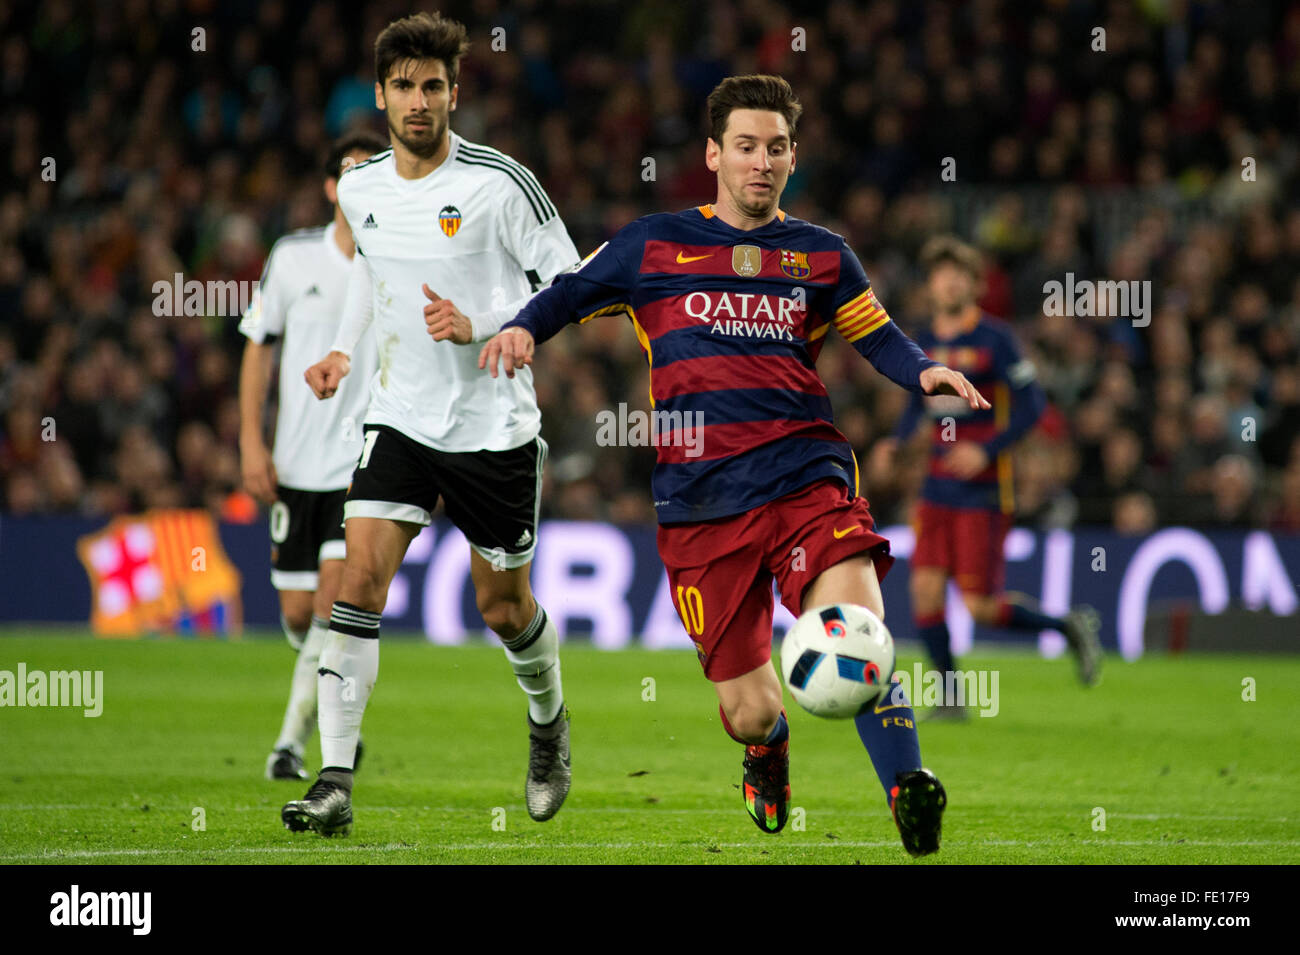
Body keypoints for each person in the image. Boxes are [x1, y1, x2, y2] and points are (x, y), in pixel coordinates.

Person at [481, 74, 986, 855]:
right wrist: (521, 331)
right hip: (700, 505)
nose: (761, 162)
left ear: (793, 156)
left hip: (806, 478)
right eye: (746, 147)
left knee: (857, 632)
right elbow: (567, 293)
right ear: (714, 153)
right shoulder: (650, 244)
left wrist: (922, 371)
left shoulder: (820, 255)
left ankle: (908, 788)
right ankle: (768, 748)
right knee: (750, 709)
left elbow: (878, 333)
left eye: (776, 148)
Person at [281, 12, 581, 837]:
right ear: (380, 95)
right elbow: (365, 276)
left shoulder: (501, 184)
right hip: (399, 419)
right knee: (356, 584)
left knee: (505, 609)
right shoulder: (362, 187)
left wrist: (489, 323)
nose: (420, 101)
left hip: (492, 427)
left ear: (456, 92)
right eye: (405, 86)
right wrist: (343, 350)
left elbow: (575, 282)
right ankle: (334, 778)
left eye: (434, 86)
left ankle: (548, 722)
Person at [878, 236, 1102, 712]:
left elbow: (1032, 405)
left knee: (980, 605)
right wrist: (896, 444)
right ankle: (952, 697)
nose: (950, 282)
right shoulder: (922, 337)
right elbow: (913, 406)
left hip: (983, 490)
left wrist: (986, 450)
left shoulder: (996, 339)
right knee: (924, 589)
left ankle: (1065, 627)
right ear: (931, 284)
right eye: (942, 274)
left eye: (960, 275)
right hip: (936, 486)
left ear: (975, 285)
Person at [238, 133, 386, 781]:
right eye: (348, 173)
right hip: (295, 464)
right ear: (331, 187)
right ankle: (334, 693)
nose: (357, 183)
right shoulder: (293, 258)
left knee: (331, 605)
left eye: (369, 172)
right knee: (301, 616)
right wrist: (250, 438)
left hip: (361, 465)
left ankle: (290, 746)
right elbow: (258, 346)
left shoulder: (397, 260)